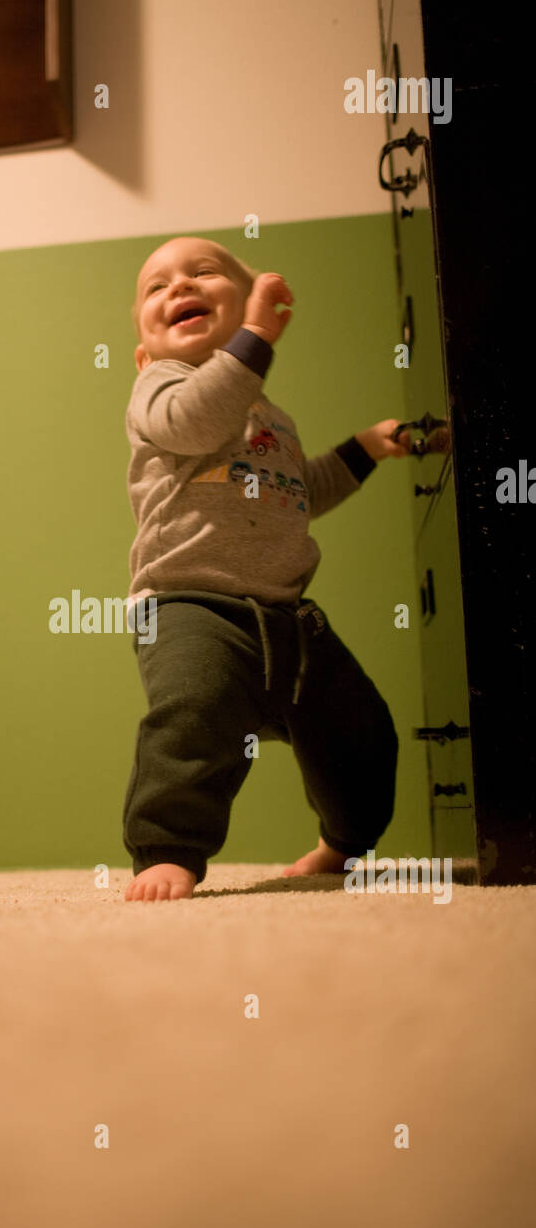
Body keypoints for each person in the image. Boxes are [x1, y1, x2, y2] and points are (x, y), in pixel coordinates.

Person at [122, 235, 409, 901]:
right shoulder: (159, 388)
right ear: (142, 351)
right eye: (157, 286)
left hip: (288, 618)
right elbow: (196, 423)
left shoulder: (270, 419)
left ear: (248, 302)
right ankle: (168, 850)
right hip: (190, 606)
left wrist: (365, 448)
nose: (179, 287)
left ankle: (343, 842)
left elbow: (300, 493)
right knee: (194, 716)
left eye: (203, 273)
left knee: (361, 729)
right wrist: (252, 338)